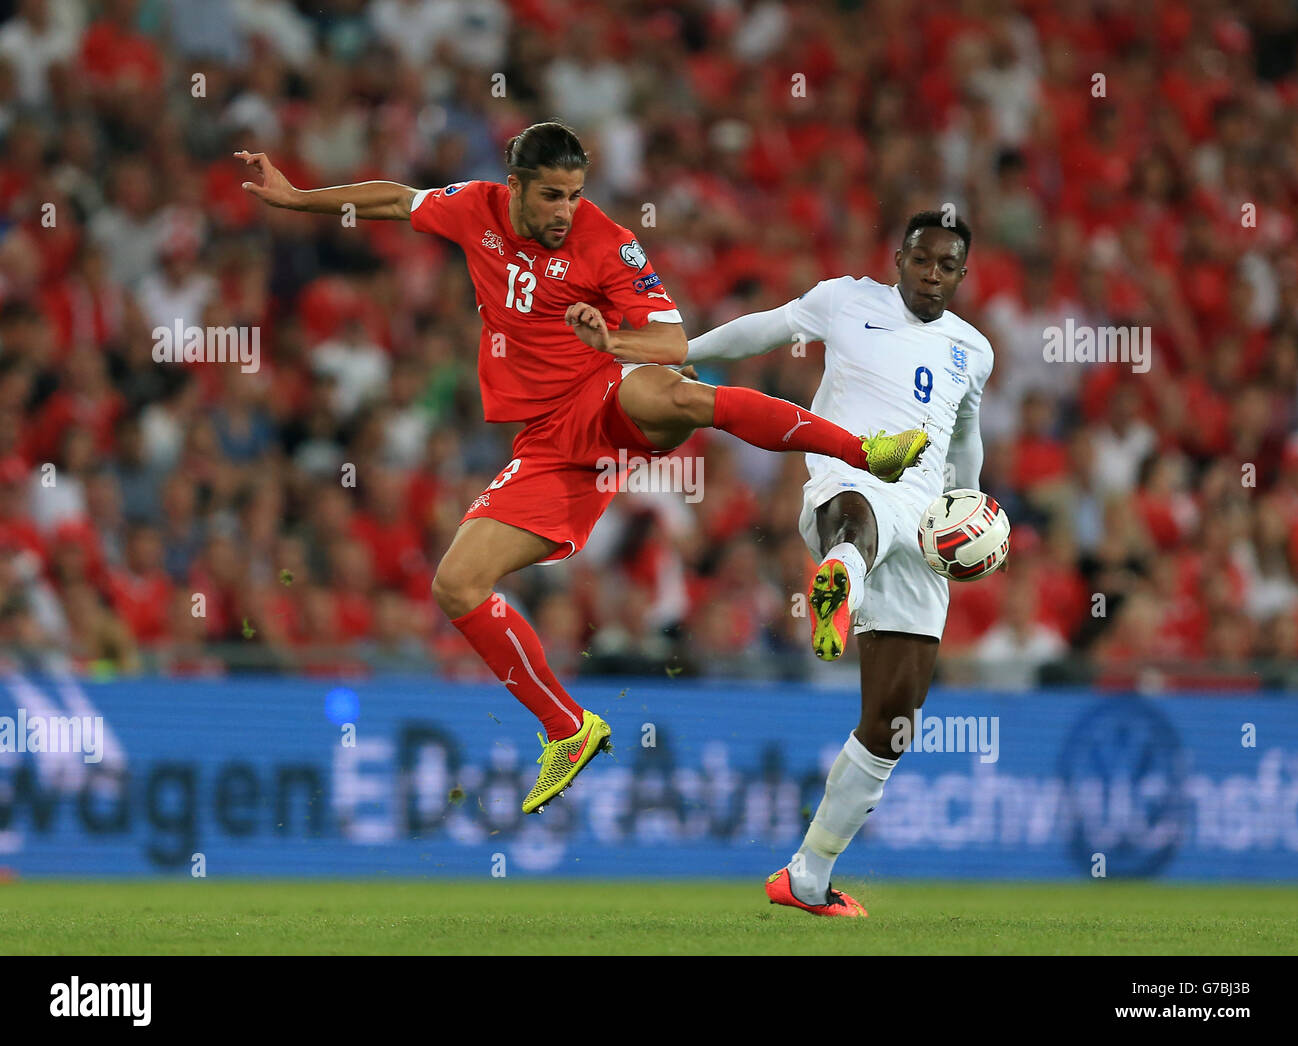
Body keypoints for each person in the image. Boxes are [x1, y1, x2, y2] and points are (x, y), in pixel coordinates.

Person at [237, 122, 929, 816]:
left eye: (573, 195)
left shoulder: (608, 242)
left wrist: (612, 339)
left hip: (605, 390)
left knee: (678, 391)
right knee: (456, 585)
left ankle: (863, 451)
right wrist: (298, 199)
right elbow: (397, 200)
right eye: (551, 196)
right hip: (547, 444)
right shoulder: (474, 208)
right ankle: (567, 726)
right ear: (514, 188)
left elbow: (672, 339)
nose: (565, 211)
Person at [685, 213, 994, 915]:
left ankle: (807, 876)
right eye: (921, 260)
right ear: (898, 258)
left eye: (947, 266)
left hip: (922, 525)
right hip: (847, 480)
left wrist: (968, 508)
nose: (932, 274)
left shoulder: (972, 350)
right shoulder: (845, 299)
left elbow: (966, 437)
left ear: (961, 274)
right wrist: (688, 351)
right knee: (858, 513)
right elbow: (764, 326)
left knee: (894, 719)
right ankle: (841, 581)